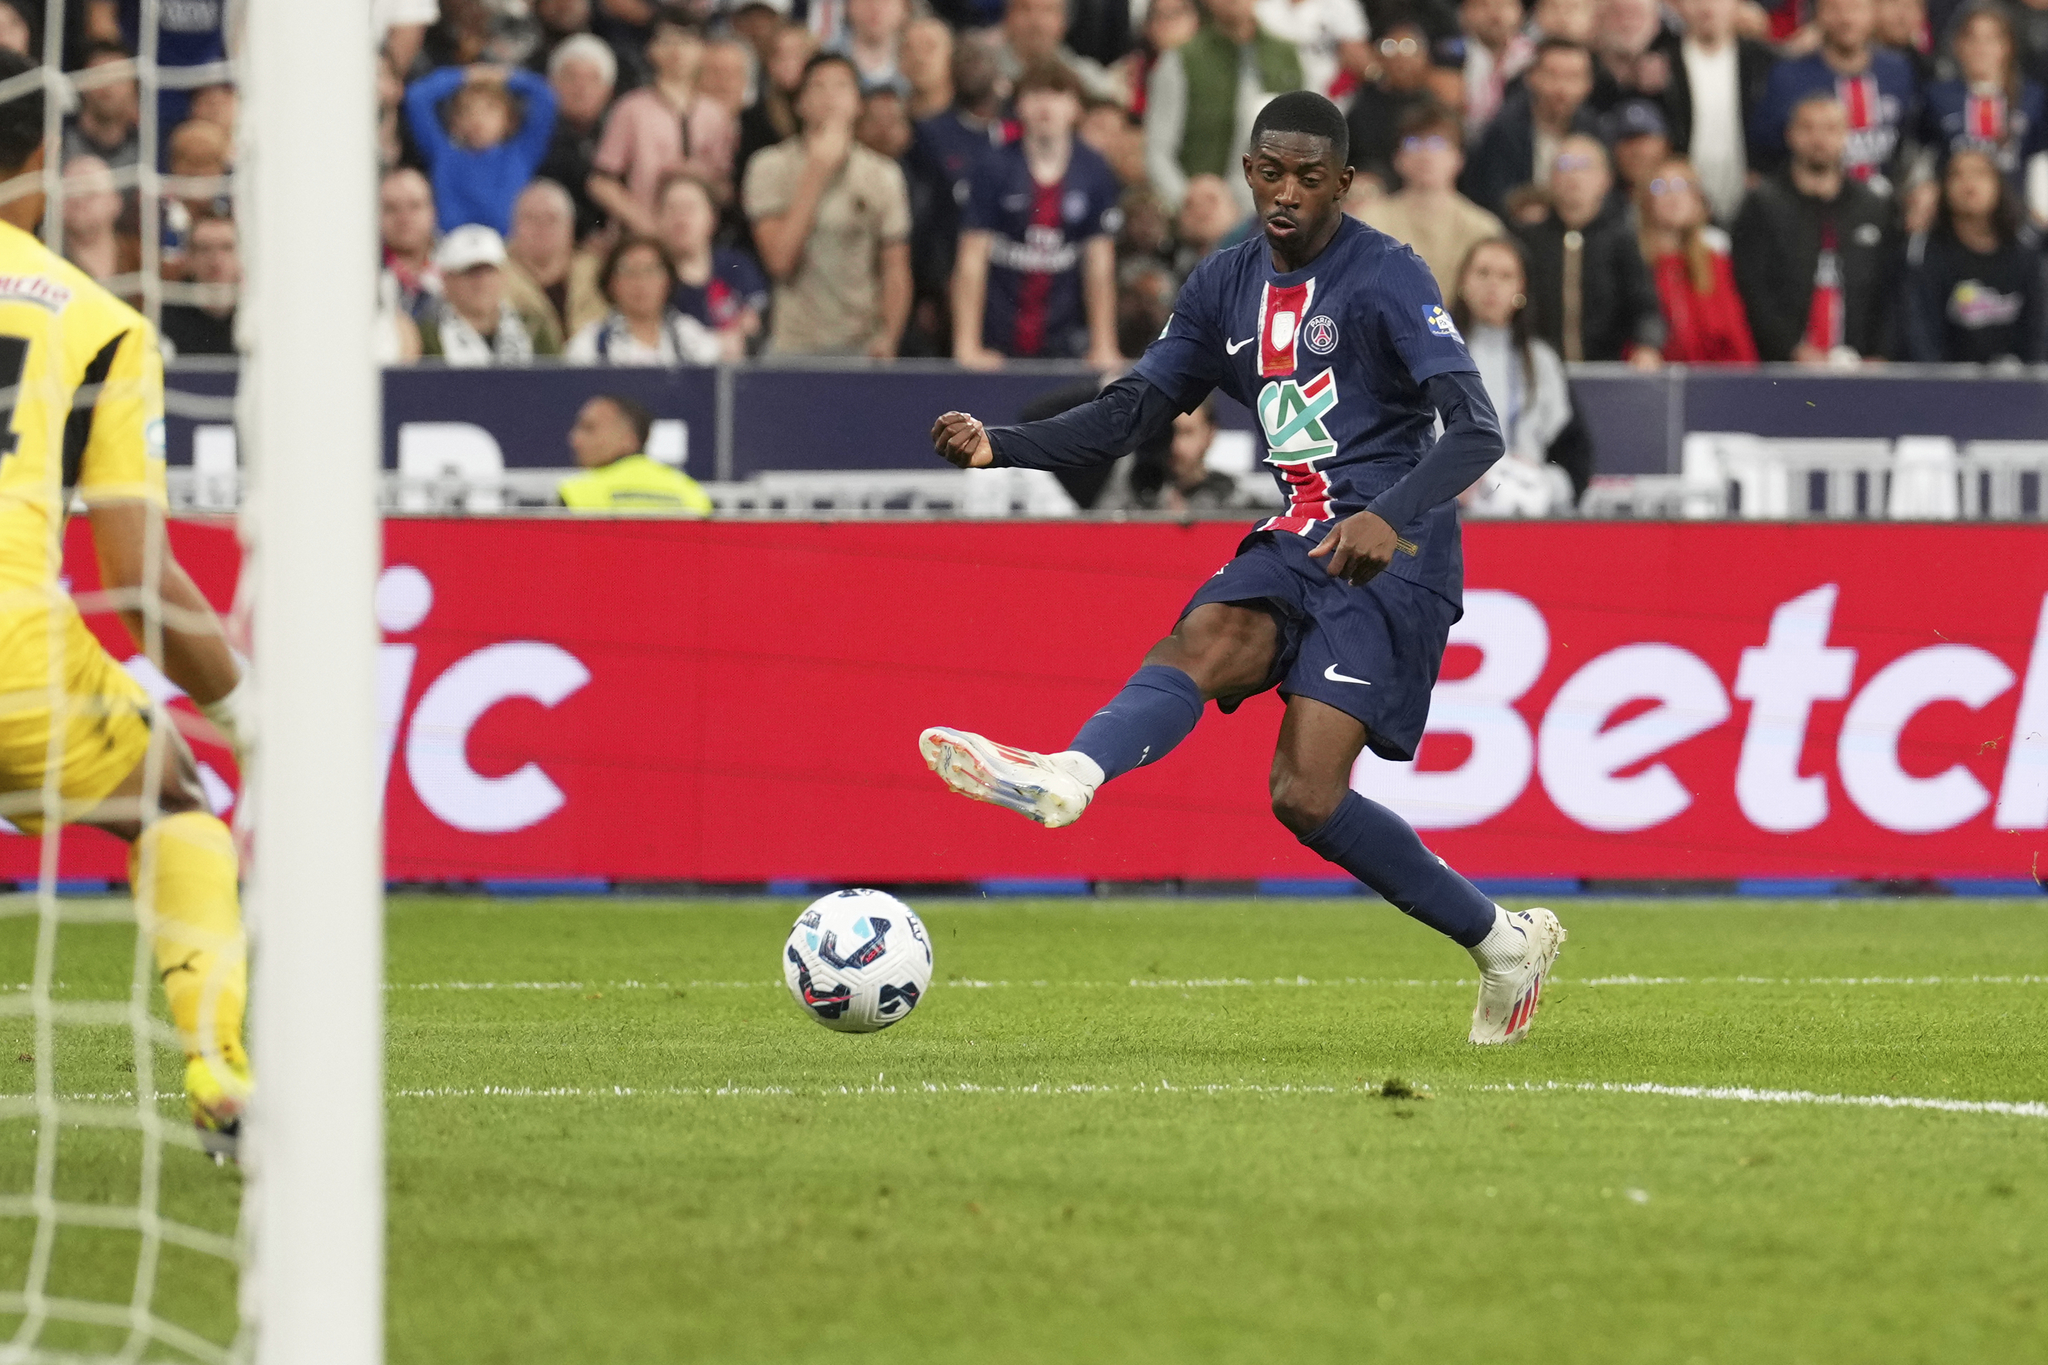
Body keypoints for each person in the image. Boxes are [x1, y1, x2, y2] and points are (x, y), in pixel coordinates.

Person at [919, 91, 1565, 1048]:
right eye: (1271, 171)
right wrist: (999, 445)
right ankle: (1073, 769)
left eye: (1310, 176)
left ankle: (1502, 943)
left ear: (1344, 182)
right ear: (1249, 171)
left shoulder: (1389, 275)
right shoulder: (1223, 282)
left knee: (1304, 795)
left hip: (1397, 554)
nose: (1286, 193)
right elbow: (1135, 408)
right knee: (1205, 634)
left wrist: (1389, 514)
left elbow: (1478, 430)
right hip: (1300, 534)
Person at [0, 48, 253, 1151]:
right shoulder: (97, 321)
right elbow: (138, 579)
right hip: (16, 653)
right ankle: (219, 1071)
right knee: (173, 805)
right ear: (48, 160)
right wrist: (250, 715)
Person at [952, 60, 1123, 369]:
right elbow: (971, 259)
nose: (1046, 106)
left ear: (1076, 107)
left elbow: (1099, 263)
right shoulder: (993, 167)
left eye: (1058, 94)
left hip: (1064, 340)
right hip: (998, 339)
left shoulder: (1094, 169)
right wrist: (967, 344)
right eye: (1035, 94)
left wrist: (1103, 345)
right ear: (1019, 105)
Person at [743, 53, 913, 356]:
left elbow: (894, 267)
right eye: (818, 87)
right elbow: (780, 261)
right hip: (792, 344)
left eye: (842, 86)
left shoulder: (883, 174)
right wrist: (817, 170)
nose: (830, 97)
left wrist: (889, 336)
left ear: (859, 103)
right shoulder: (769, 166)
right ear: (800, 103)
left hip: (861, 345)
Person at [1733, 92, 1899, 360]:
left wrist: (1880, 353)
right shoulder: (1762, 204)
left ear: (1847, 136)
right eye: (1808, 128)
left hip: (1862, 367)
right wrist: (1789, 348)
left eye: (1831, 129)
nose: (1819, 139)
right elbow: (1752, 289)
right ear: (1790, 134)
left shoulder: (1874, 206)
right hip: (1781, 368)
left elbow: (1891, 288)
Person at [1448, 236, 1577, 514]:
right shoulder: (1431, 354)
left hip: (1524, 516)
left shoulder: (1543, 361)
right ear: (1463, 282)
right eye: (1482, 273)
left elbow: (1572, 459)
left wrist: (1541, 482)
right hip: (1443, 513)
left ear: (1521, 289)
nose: (1492, 285)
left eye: (1506, 276)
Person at [1514, 133, 1667, 364]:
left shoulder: (1620, 240)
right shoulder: (1528, 240)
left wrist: (1646, 345)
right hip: (1540, 372)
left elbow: (1645, 309)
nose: (1574, 175)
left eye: (1584, 166)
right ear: (1551, 178)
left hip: (1605, 372)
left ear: (1605, 179)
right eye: (1564, 165)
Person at [1144, 0, 1306, 213]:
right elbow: (1157, 153)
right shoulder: (1181, 60)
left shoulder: (1289, 56)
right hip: (1202, 214)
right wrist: (1188, 200)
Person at [904, 34, 1007, 355]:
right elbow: (924, 219)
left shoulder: (1018, 130)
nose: (972, 68)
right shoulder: (930, 133)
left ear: (1000, 72)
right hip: (950, 276)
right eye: (963, 61)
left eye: (981, 59)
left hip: (1014, 275)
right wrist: (932, 288)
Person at [589, 11, 737, 235]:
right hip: (641, 235)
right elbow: (601, 181)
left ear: (703, 50)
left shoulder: (716, 115)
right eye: (668, 41)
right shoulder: (631, 108)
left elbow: (724, 187)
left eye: (687, 41)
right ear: (651, 49)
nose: (677, 51)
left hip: (699, 237)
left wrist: (700, 178)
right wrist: (645, 224)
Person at [1751, 0, 1918, 189]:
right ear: (1817, 15)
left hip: (1883, 206)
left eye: (1856, 8)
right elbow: (1763, 155)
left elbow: (1907, 143)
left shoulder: (1899, 71)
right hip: (1806, 204)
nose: (1846, 19)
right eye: (1834, 9)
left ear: (1874, 12)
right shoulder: (1787, 76)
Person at [1902, 147, 2047, 360]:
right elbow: (1921, 337)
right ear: (1944, 188)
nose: (1969, 185)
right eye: (1957, 175)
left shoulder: (2027, 250)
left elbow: (2039, 333)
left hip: (2018, 384)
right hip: (1945, 385)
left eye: (1980, 173)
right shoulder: (1925, 254)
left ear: (1999, 185)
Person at [1361, 102, 1508, 296]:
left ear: (1459, 158)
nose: (1425, 155)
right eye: (1413, 143)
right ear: (1397, 158)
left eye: (1438, 144)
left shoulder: (1483, 228)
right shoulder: (1371, 223)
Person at [405, 61, 559, 234]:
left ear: (508, 120)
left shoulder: (522, 154)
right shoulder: (442, 153)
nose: (478, 119)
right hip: (451, 248)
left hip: (506, 251)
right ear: (455, 121)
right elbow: (417, 97)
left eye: (490, 109)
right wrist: (464, 76)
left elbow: (545, 96)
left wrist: (504, 76)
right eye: (467, 110)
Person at [1664, 0, 1778, 223]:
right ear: (1680, 6)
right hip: (1685, 203)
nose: (1707, 7)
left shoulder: (1763, 61)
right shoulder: (1663, 64)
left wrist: (1763, 171)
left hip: (1751, 198)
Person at [1637, 155, 1759, 360]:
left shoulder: (1716, 264)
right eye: (1659, 186)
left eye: (1681, 186)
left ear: (1698, 199)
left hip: (1713, 384)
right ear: (1646, 200)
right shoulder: (1636, 264)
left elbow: (1736, 337)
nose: (1672, 196)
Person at [1462, 38, 1600, 216]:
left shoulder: (1594, 130)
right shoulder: (1502, 131)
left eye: (1573, 77)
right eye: (1552, 75)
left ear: (1588, 84)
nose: (1562, 88)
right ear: (1531, 77)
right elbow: (1492, 198)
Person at [1919, 5, 2046, 195]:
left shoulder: (2033, 97)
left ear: (2007, 46)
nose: (1981, 48)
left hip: (2017, 205)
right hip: (1953, 207)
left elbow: (2040, 158)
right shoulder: (1937, 96)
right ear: (1957, 45)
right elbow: (1924, 157)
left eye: (1991, 39)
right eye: (1972, 39)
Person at [566, 234, 724, 362]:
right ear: (611, 283)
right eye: (628, 272)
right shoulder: (590, 345)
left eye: (650, 271)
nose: (640, 282)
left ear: (667, 281)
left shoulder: (690, 338)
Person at [655, 172, 768, 349]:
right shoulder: (651, 275)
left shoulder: (737, 264)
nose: (680, 218)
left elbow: (754, 321)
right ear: (658, 219)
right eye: (672, 208)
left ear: (712, 218)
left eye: (689, 208)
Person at [420, 223, 564, 361]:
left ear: (504, 276)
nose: (481, 282)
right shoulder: (428, 336)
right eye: (469, 272)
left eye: (489, 271)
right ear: (447, 281)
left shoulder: (534, 328)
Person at [558, 393, 715, 513]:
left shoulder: (576, 494)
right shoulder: (692, 494)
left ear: (629, 438)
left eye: (589, 428)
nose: (575, 439)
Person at [1097, 397, 1253, 511]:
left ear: (1210, 435)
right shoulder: (1132, 486)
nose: (1175, 446)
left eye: (1187, 433)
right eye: (1167, 433)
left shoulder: (1230, 497)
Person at [536, 33, 617, 242]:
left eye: (592, 79)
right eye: (571, 77)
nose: (581, 89)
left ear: (608, 91)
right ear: (551, 84)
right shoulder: (532, 136)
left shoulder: (619, 136)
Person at [1346, 23, 1445, 187]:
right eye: (1389, 47)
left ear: (1425, 57)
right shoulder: (1361, 107)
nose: (1400, 57)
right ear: (1378, 57)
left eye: (1408, 47)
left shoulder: (1436, 109)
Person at [503, 178, 596, 340]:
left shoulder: (598, 274)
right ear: (513, 226)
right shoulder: (494, 277)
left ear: (570, 226)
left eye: (552, 218)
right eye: (531, 218)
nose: (541, 227)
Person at [997, 0, 1121, 104]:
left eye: (1047, 10)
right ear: (1008, 17)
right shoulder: (986, 72)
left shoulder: (1084, 77)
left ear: (1064, 21)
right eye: (1025, 9)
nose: (1036, 21)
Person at [1256, 0, 1372, 100]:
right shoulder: (1265, 4)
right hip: (1270, 93)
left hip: (1322, 98)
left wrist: (1335, 91)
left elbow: (1358, 60)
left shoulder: (1340, 5)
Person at [160, 212, 239, 356]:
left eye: (226, 248)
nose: (215, 261)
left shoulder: (259, 315)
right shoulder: (165, 320)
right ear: (188, 259)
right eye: (204, 249)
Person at [1456, 0, 1536, 136]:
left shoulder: (1534, 57)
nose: (1495, 15)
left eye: (1504, 5)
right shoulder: (1449, 57)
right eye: (1483, 5)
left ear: (1521, 12)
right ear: (1464, 13)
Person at [59, 155, 137, 291]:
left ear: (116, 201)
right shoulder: (44, 259)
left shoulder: (142, 259)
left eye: (90, 192)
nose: (78, 200)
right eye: (70, 191)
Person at [62, 40, 140, 174]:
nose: (108, 87)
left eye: (118, 78)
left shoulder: (147, 151)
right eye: (100, 76)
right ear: (81, 85)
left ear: (134, 88)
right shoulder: (59, 146)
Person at [381, 167, 443, 319]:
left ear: (433, 212)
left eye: (414, 206)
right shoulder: (364, 273)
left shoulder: (456, 267)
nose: (404, 218)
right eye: (391, 208)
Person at [830, 0, 910, 92]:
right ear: (847, 6)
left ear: (905, 8)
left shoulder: (918, 61)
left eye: (885, 1)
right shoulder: (826, 57)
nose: (875, 8)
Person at [901, 14, 954, 118]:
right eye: (910, 48)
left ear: (950, 56)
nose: (919, 57)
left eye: (930, 46)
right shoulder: (895, 123)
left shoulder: (972, 119)